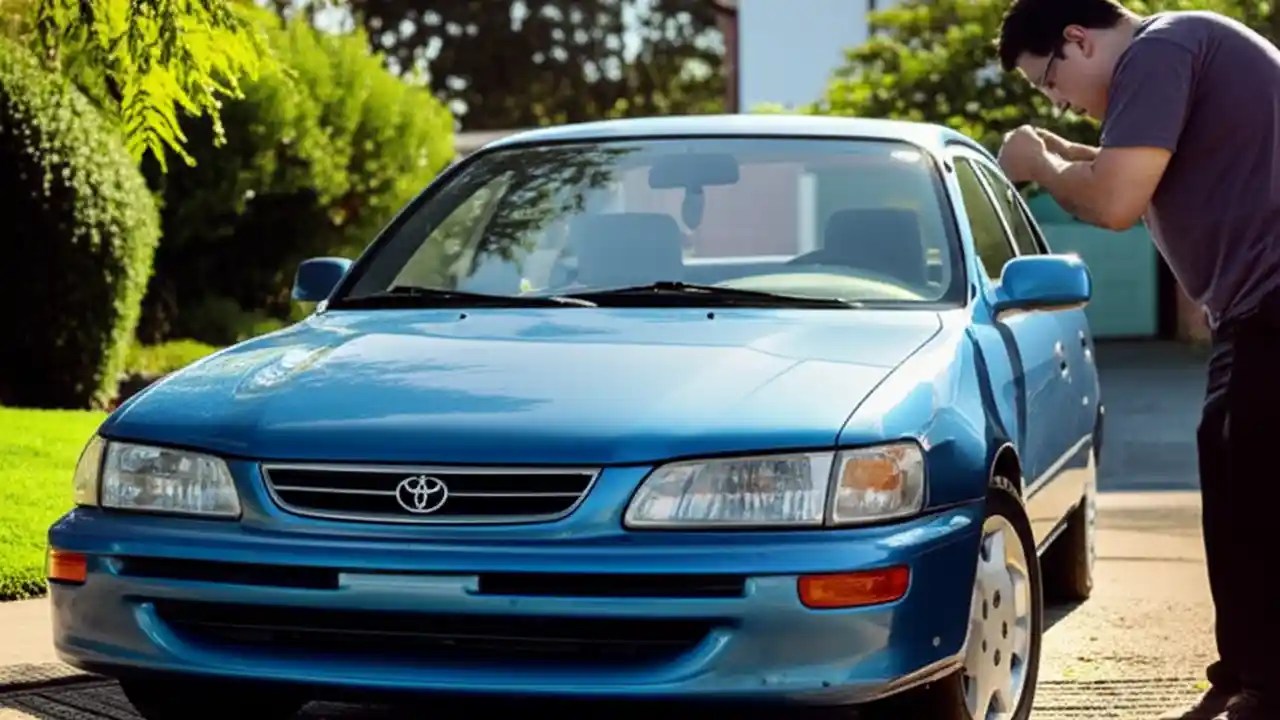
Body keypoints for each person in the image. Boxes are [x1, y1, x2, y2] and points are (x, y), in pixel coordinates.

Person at [993, 1, 1280, 719]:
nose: (1057, 99)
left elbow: (1117, 201)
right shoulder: (1175, 54)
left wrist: (1037, 159)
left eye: (1047, 83)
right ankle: (1245, 670)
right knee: (1233, 485)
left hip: (1273, 307)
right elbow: (1126, 165)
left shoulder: (1160, 50)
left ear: (1077, 40)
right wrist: (1060, 150)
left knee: (1262, 502)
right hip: (1248, 316)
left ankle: (1269, 688)